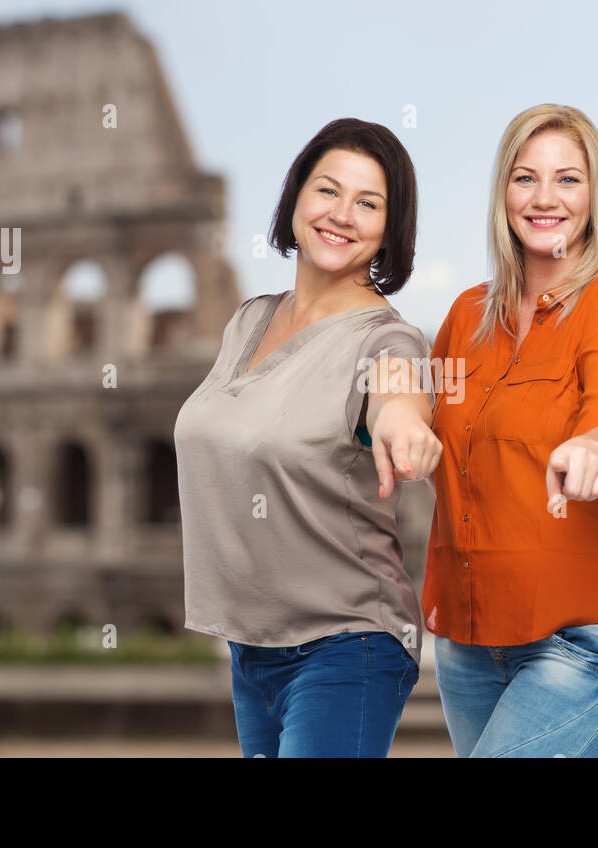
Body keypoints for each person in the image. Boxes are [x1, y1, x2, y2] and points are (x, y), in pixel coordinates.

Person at [173, 118, 440, 757]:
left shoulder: (387, 339)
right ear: (296, 198)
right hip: (252, 649)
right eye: (327, 191)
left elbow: (398, 395)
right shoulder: (248, 321)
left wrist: (404, 426)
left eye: (368, 203)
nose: (341, 214)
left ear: (388, 229)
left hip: (349, 644)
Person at [424, 103, 598, 758]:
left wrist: (594, 449)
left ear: (595, 196)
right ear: (503, 191)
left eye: (568, 179)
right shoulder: (465, 315)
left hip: (589, 631)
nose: (544, 198)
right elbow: (424, 419)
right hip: (471, 633)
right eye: (525, 177)